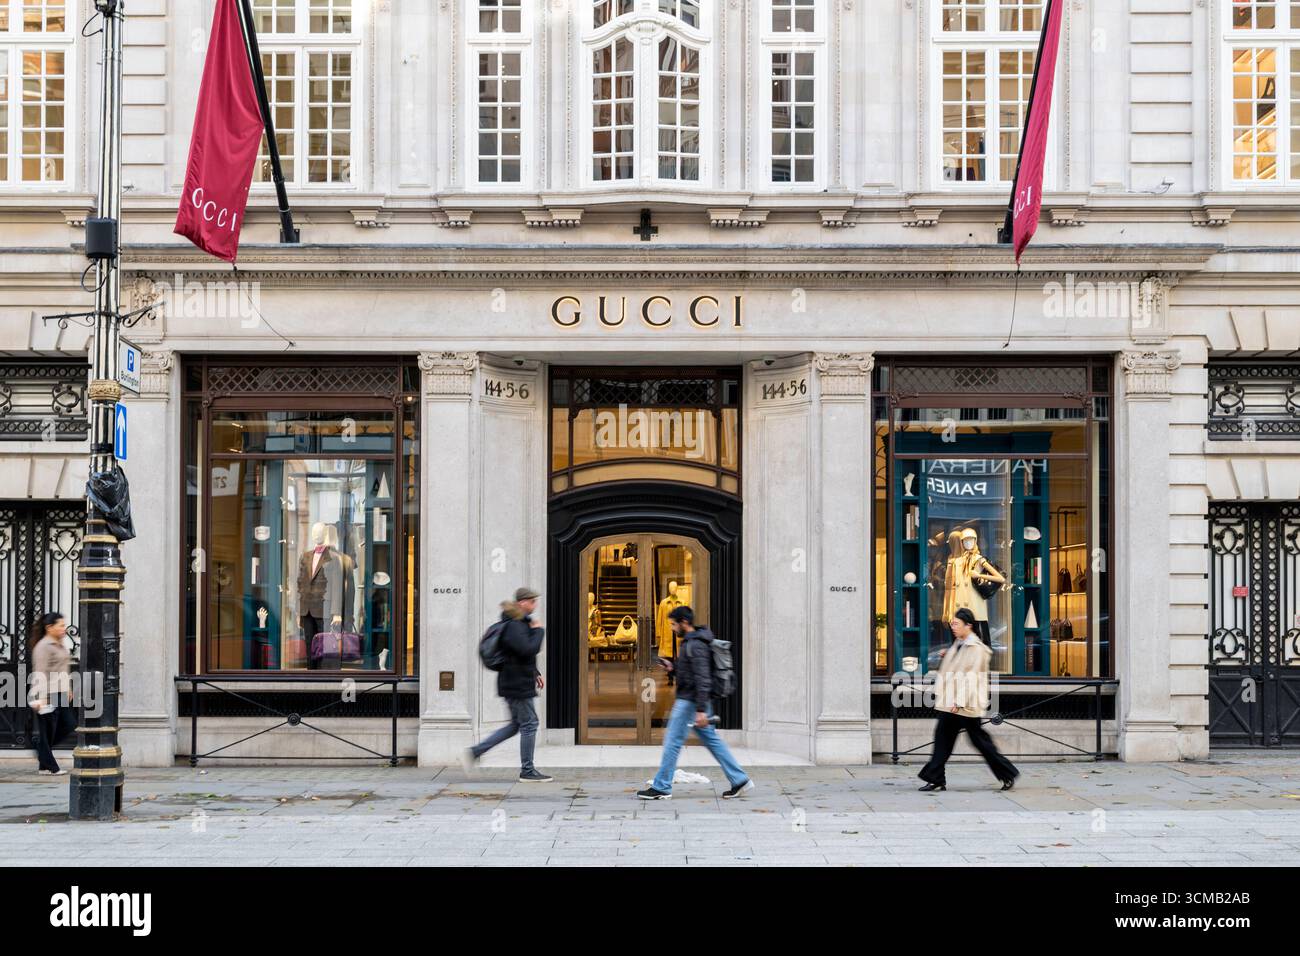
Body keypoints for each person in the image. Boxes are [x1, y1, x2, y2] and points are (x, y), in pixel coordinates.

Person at [637, 605, 752, 800]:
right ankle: (739, 779)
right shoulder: (691, 642)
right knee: (713, 742)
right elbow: (692, 673)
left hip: (690, 702)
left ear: (684, 623)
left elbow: (703, 678)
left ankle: (662, 786)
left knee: (672, 741)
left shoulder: (696, 644)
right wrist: (673, 667)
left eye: (674, 624)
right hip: (694, 701)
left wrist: (699, 710)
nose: (672, 629)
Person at [917, 607, 1019, 792]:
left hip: (965, 704)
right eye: (952, 623)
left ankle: (1007, 773)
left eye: (956, 624)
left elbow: (971, 677)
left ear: (968, 625)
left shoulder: (976, 648)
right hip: (952, 703)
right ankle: (936, 778)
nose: (953, 627)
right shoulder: (959, 643)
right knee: (943, 740)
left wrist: (959, 702)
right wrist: (948, 655)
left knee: (979, 741)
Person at [462, 587, 553, 783]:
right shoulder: (514, 625)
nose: (534, 604)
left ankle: (476, 751)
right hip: (516, 683)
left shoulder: (519, 624)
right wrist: (539, 631)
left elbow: (520, 653)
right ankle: (527, 771)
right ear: (521, 603)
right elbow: (528, 649)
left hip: (517, 680)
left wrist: (535, 672)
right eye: (531, 601)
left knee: (515, 725)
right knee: (530, 724)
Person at [28, 612, 74, 776]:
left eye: (63, 625)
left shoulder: (60, 644)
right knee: (48, 730)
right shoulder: (43, 647)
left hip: (60, 692)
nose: (64, 628)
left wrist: (68, 688)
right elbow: (40, 672)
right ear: (49, 627)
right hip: (48, 693)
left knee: (66, 725)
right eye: (60, 625)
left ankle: (42, 756)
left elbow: (63, 669)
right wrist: (41, 697)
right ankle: (51, 766)